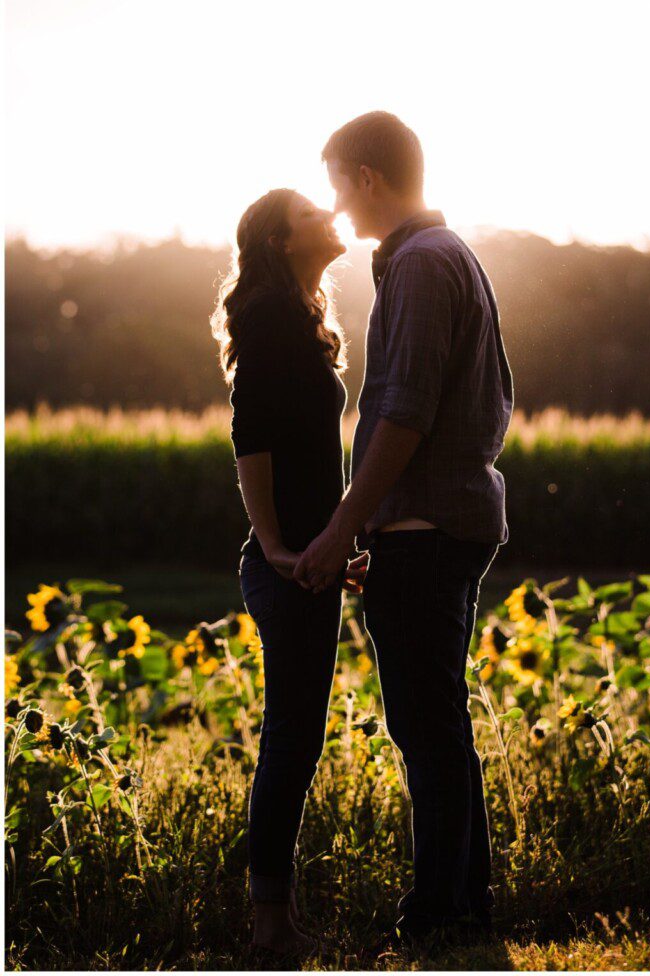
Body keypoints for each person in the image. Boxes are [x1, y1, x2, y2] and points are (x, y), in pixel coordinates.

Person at [294, 111, 514, 948]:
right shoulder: (441, 257)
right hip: (434, 521)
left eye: (338, 186)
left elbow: (403, 415)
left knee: (423, 722)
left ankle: (436, 913)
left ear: (367, 178)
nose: (336, 208)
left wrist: (343, 528)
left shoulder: (421, 267)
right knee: (437, 718)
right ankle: (463, 903)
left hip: (428, 524)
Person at [210, 188, 368, 957]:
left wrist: (338, 537)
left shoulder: (304, 323)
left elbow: (310, 457)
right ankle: (269, 924)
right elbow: (253, 439)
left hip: (311, 558)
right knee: (290, 740)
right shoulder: (274, 323)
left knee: (297, 738)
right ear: (279, 239)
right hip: (289, 565)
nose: (332, 217)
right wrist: (276, 547)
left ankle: (279, 918)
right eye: (314, 213)